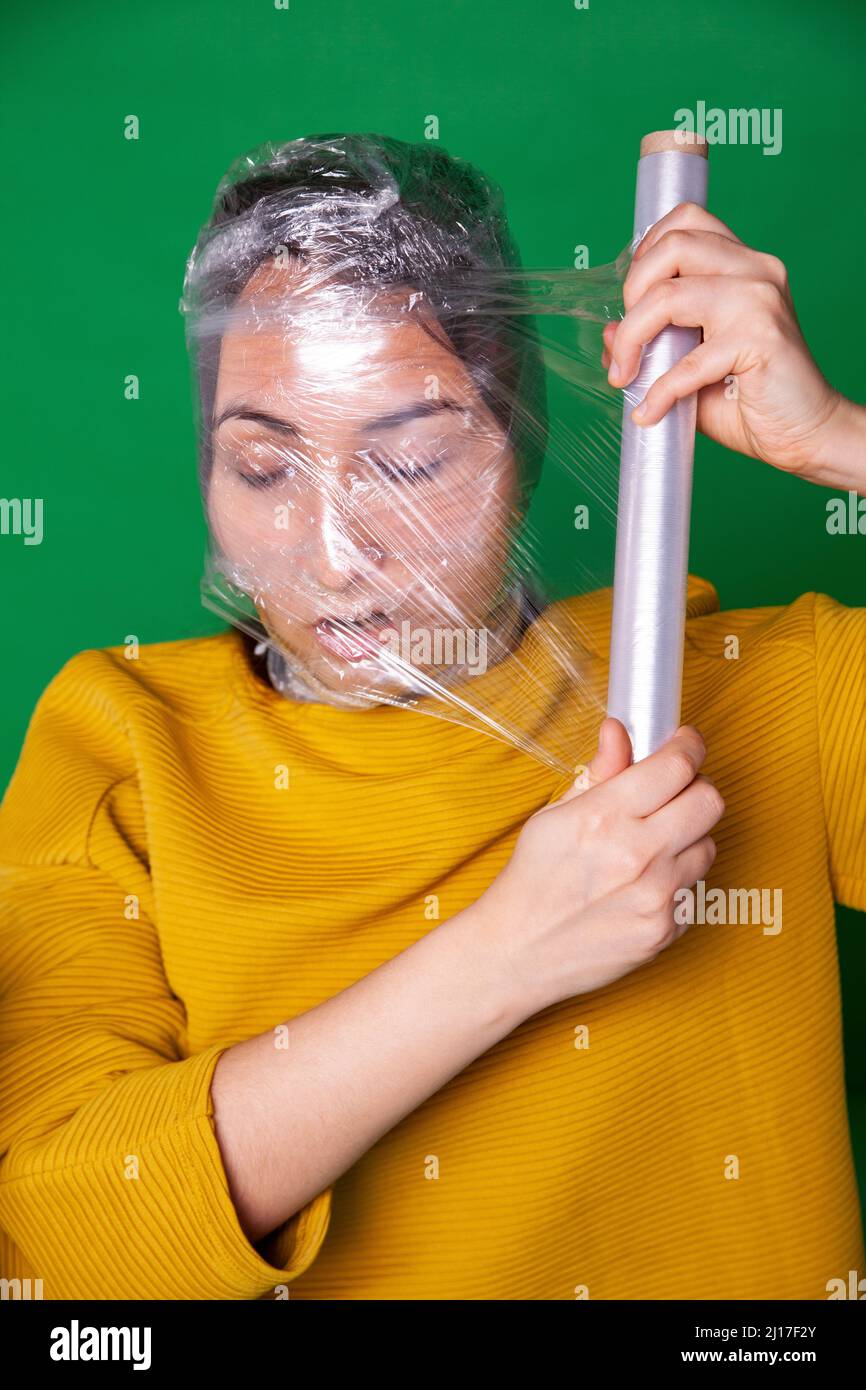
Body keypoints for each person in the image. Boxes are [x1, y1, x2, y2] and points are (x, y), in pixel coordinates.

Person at [0, 134, 863, 1301]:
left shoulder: (764, 694)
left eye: (407, 463)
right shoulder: (126, 742)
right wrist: (506, 953)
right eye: (262, 470)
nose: (337, 557)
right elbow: (66, 1237)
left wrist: (839, 443)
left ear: (522, 441)